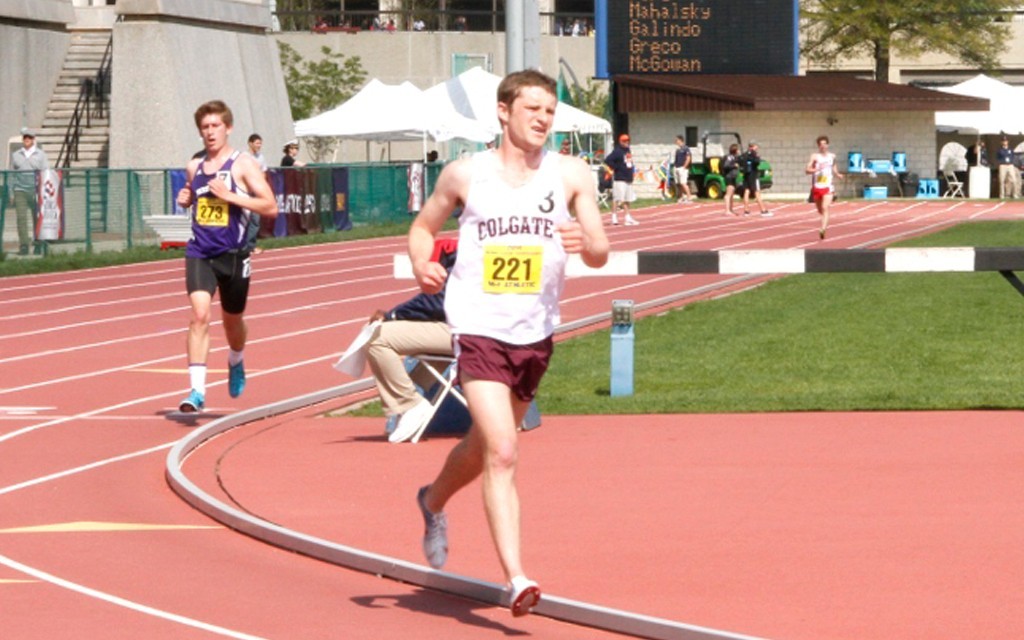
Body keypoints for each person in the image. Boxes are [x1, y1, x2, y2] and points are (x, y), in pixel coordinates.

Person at [406, 69, 609, 617]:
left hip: (534, 332)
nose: (543, 119)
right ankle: (517, 578)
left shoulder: (571, 174)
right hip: (477, 326)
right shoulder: (465, 174)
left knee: (483, 446)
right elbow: (423, 228)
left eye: (550, 111)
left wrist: (586, 242)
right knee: (502, 450)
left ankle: (432, 499)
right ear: (503, 111)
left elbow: (599, 248)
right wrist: (422, 263)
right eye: (532, 109)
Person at [174, 100, 279, 413]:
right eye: (204, 127)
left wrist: (231, 196)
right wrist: (186, 198)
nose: (210, 132)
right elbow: (193, 195)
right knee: (199, 316)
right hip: (200, 252)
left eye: (215, 126)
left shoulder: (242, 164)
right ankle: (196, 390)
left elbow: (270, 206)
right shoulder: (194, 166)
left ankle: (236, 358)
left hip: (233, 255)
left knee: (232, 322)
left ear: (228, 128)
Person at [369, 239, 458, 444]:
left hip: (467, 334)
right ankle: (411, 405)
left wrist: (392, 316)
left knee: (376, 338)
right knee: (430, 348)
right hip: (507, 336)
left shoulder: (462, 251)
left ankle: (410, 405)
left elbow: (438, 300)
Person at [9, 128, 49, 256]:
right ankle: (24, 245)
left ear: (33, 140)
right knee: (21, 219)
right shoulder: (16, 154)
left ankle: (38, 244)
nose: (27, 139)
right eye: (25, 137)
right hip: (20, 190)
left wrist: (44, 192)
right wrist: (11, 192)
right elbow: (11, 174)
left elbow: (45, 173)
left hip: (36, 190)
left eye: (29, 137)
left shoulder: (40, 154)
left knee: (36, 218)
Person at [806, 135, 843, 240]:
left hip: (828, 187)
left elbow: (834, 167)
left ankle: (823, 229)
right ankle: (825, 220)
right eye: (821, 144)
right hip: (817, 187)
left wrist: (837, 174)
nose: (823, 146)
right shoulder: (815, 157)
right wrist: (816, 170)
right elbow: (807, 170)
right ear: (818, 146)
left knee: (825, 207)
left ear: (828, 145)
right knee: (820, 210)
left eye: (824, 144)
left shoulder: (832, 156)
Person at [603, 133, 638, 225]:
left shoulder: (628, 150)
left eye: (627, 140)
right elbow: (607, 160)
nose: (627, 142)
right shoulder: (617, 151)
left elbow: (629, 162)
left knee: (627, 198)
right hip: (620, 178)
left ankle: (627, 217)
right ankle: (614, 217)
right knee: (617, 198)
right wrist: (616, 167)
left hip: (628, 177)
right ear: (621, 142)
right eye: (624, 141)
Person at [245, 134, 269, 253]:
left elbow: (263, 172)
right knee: (242, 219)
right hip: (244, 192)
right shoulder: (243, 157)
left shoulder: (261, 157)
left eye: (260, 143)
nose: (259, 146)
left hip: (256, 193)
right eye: (257, 143)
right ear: (250, 143)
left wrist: (261, 187)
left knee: (255, 220)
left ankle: (250, 245)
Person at [740, 141, 771, 217]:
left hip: (746, 175)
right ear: (753, 146)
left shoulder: (744, 154)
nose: (757, 147)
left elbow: (740, 161)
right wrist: (758, 158)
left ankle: (746, 210)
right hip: (753, 175)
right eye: (756, 146)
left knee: (747, 191)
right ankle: (763, 210)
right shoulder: (753, 154)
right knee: (757, 192)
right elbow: (757, 162)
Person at [672, 134, 693, 204]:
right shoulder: (678, 150)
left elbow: (688, 158)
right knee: (678, 184)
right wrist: (674, 167)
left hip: (682, 168)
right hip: (677, 167)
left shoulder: (686, 148)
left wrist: (684, 167)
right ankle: (681, 197)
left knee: (683, 183)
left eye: (677, 140)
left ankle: (689, 198)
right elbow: (676, 159)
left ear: (680, 140)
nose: (676, 141)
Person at [721, 143, 741, 216]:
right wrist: (734, 165)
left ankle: (731, 209)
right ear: (735, 150)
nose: (739, 151)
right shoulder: (729, 157)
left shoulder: (735, 157)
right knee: (728, 194)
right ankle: (727, 210)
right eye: (738, 149)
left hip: (733, 176)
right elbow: (726, 166)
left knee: (732, 194)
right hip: (729, 176)